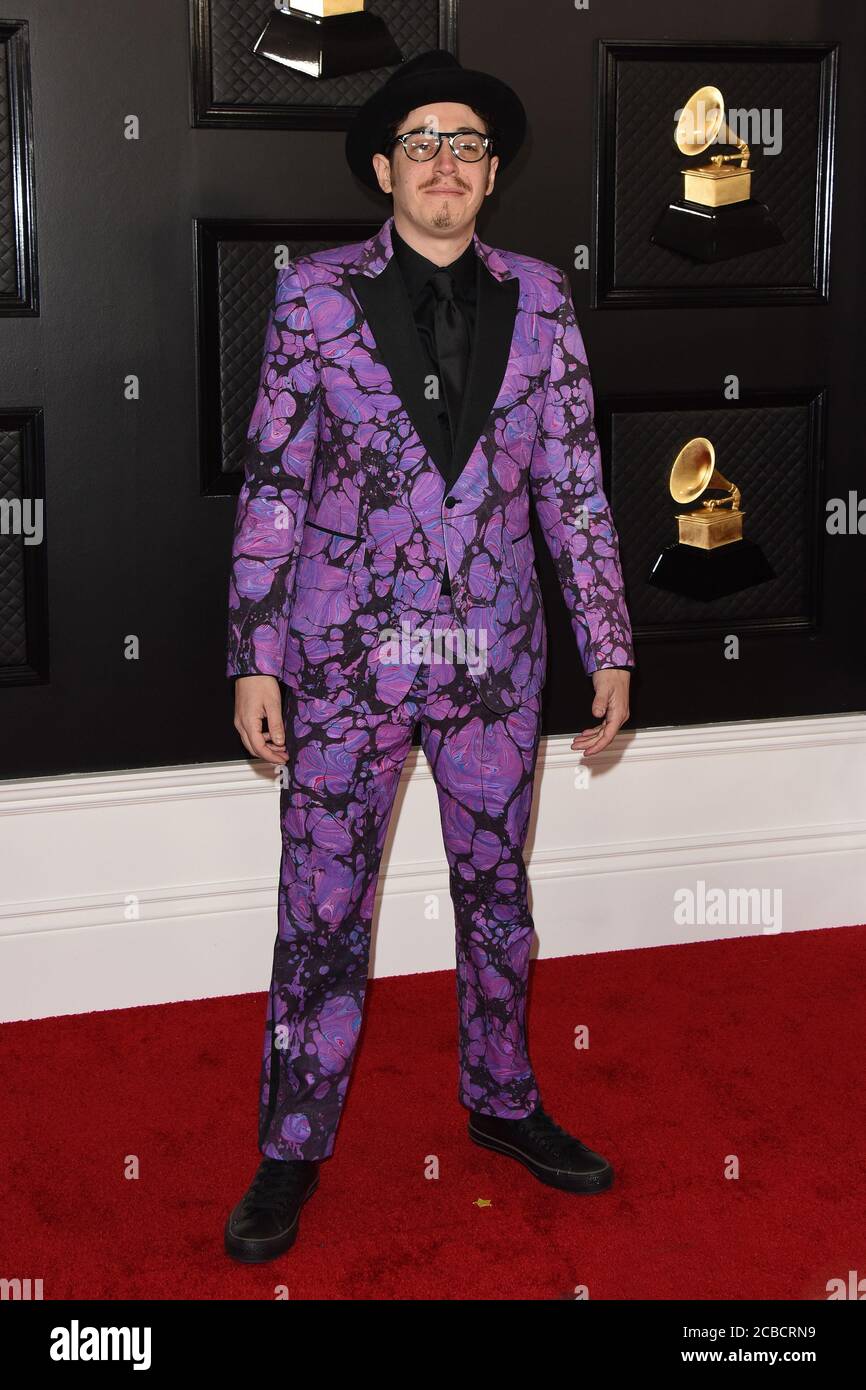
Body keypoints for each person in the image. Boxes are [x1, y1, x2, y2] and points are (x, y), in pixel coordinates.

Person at [223, 50, 635, 1264]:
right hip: (343, 663)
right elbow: (274, 484)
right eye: (420, 141)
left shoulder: (545, 299)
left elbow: (573, 484)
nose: (443, 161)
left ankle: (504, 1101)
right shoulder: (311, 296)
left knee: (498, 895)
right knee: (321, 909)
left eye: (464, 143)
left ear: (491, 172)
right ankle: (293, 1143)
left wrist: (606, 639)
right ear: (383, 167)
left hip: (496, 663)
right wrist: (254, 652)